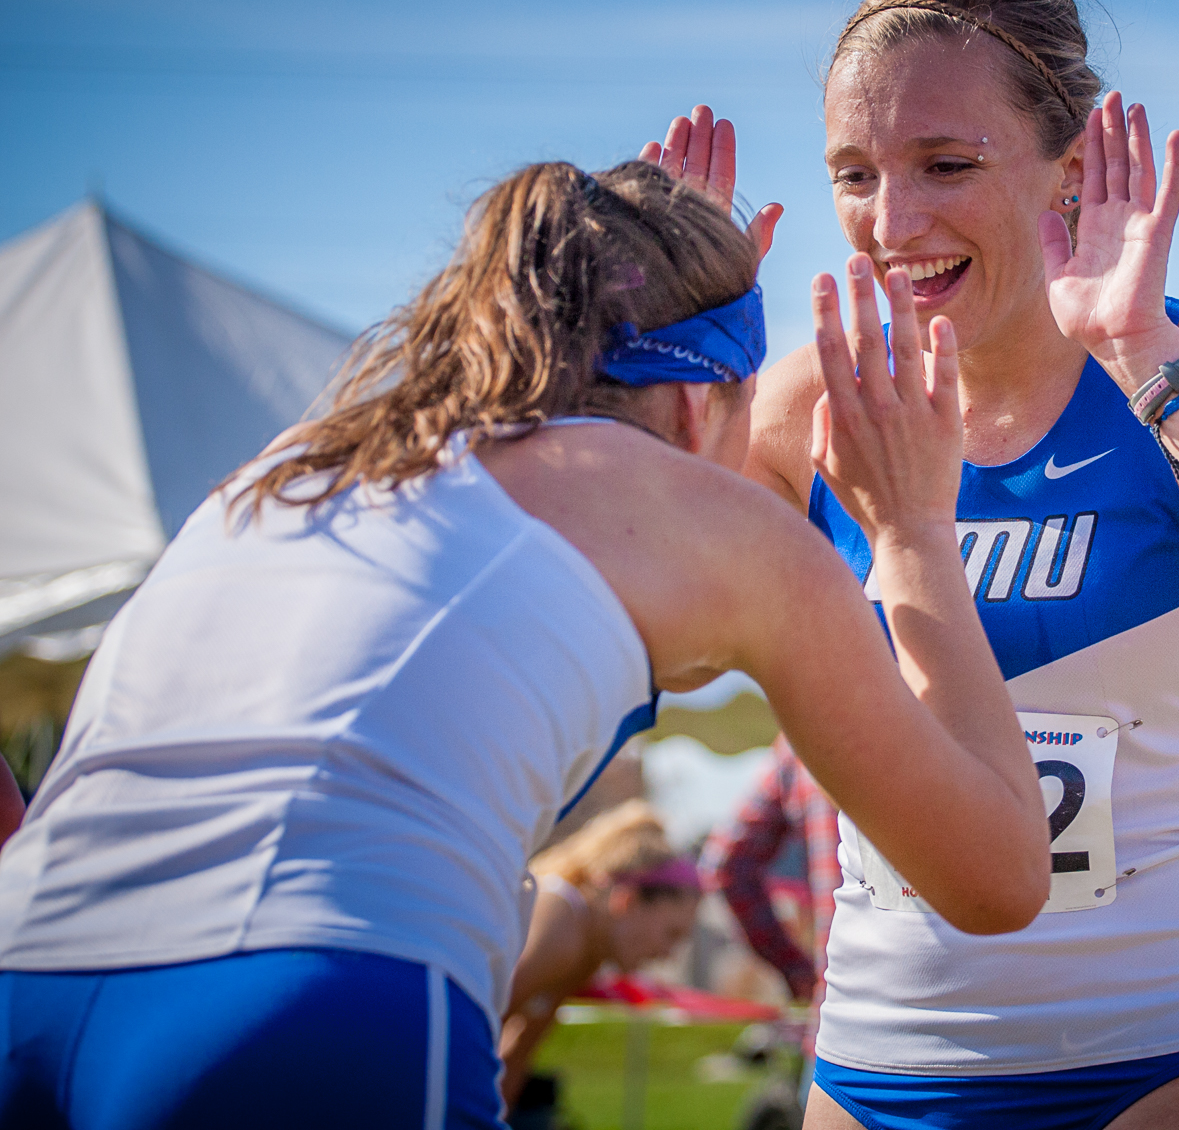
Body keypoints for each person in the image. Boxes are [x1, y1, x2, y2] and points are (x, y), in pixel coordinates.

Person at [0, 153, 1053, 1129]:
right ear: (697, 409)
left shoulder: (296, 464)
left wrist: (655, 256)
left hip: (27, 972)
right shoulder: (714, 524)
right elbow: (995, 876)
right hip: (296, 990)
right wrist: (913, 532)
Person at [711, 0, 1179, 1130]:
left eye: (946, 164)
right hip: (884, 1049)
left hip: (1164, 1044)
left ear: (1071, 168)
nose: (893, 224)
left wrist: (1142, 359)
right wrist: (656, 361)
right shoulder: (804, 408)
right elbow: (667, 660)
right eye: (852, 174)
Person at [499, 801, 703, 1112]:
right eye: (670, 934)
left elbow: (518, 1050)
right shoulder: (562, 928)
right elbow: (475, 1023)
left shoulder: (586, 949)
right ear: (628, 901)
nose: (668, 955)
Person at [703, 735, 841, 1007]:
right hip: (943, 1011)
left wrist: (798, 971)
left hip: (840, 1011)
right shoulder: (936, 716)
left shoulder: (804, 730)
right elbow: (727, 866)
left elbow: (726, 864)